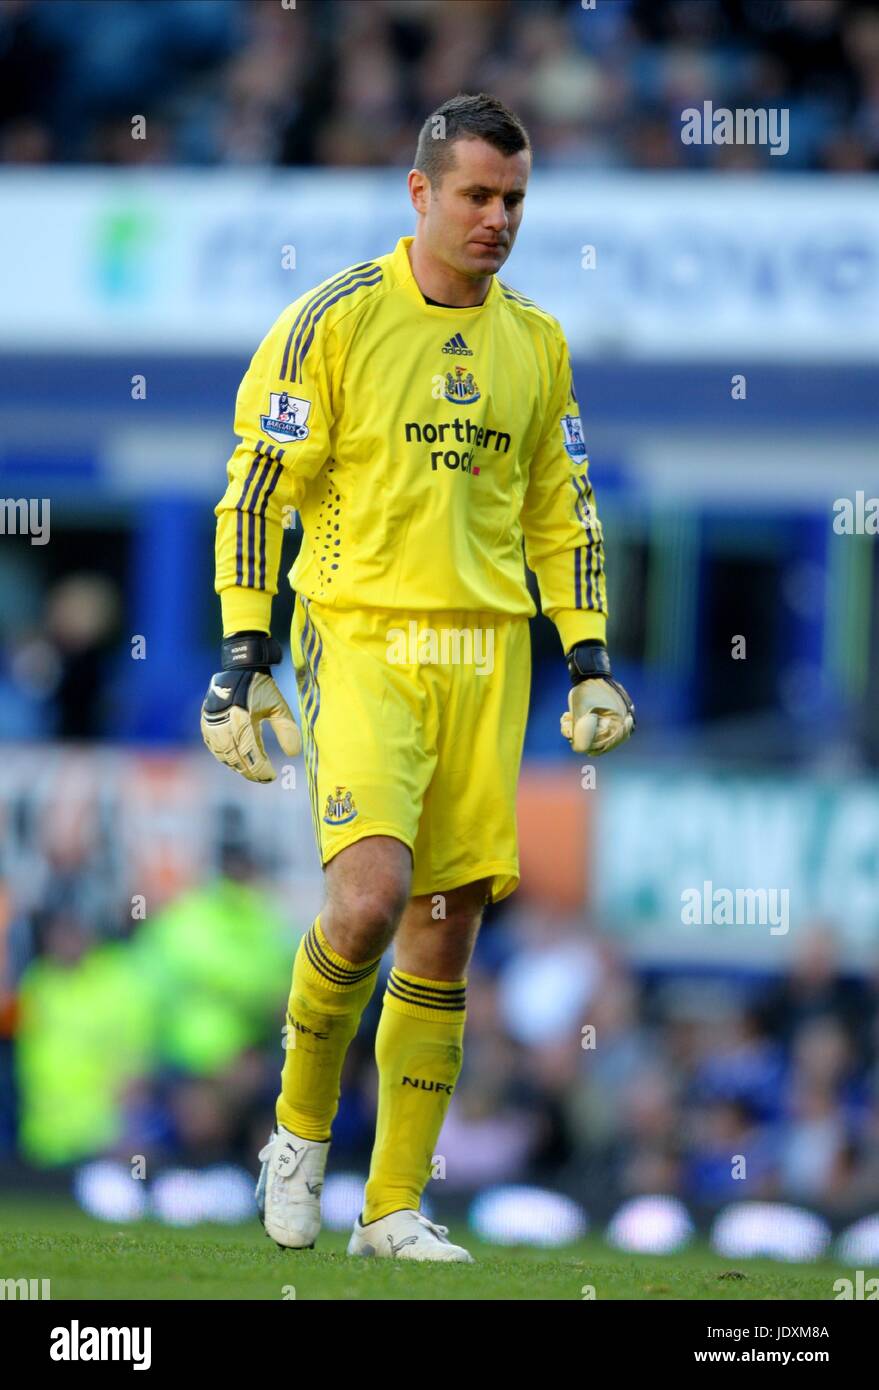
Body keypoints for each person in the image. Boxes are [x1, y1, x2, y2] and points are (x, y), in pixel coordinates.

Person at [201, 92, 634, 1263]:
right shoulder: (331, 323)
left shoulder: (536, 342)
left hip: (487, 655)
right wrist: (244, 654)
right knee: (369, 897)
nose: (498, 219)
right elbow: (255, 494)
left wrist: (586, 652)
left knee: (444, 934)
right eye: (479, 196)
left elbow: (565, 509)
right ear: (422, 194)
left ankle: (390, 1209)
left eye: (516, 200)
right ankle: (295, 1136)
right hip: (363, 636)